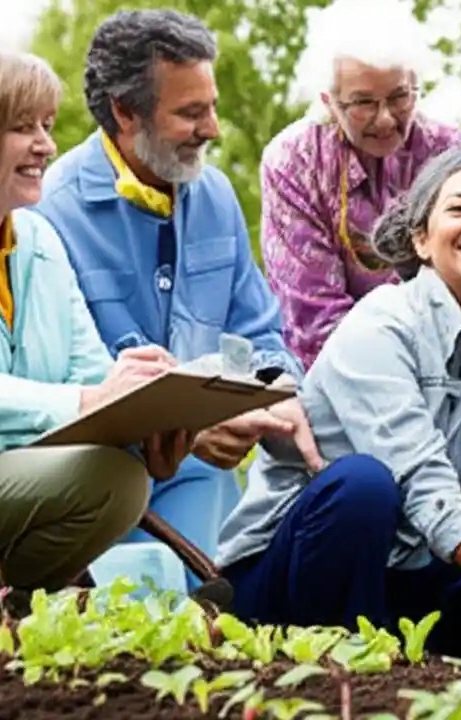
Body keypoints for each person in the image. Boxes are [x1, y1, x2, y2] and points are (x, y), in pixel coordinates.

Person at [216, 151, 461, 661]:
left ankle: (454, 677)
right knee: (364, 486)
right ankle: (336, 671)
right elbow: (425, 489)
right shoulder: (381, 325)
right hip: (296, 568)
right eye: (460, 208)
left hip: (404, 565)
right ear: (422, 239)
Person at [36, 10, 318, 595]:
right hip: (97, 486)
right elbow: (60, 389)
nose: (213, 128)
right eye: (191, 113)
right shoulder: (48, 216)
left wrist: (269, 400)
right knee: (135, 623)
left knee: (204, 627)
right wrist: (188, 425)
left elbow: (265, 341)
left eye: (211, 107)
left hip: (202, 481)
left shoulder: (214, 194)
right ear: (124, 111)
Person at [0, 51, 187, 602]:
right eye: (21, 127)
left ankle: (14, 613)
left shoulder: (40, 240)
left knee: (124, 476)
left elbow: (86, 368)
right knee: (111, 483)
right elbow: (77, 396)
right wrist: (83, 401)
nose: (45, 146)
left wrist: (141, 405)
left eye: (47, 127)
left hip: (14, 471)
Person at [261, 0, 461, 370]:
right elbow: (311, 314)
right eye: (363, 103)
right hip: (339, 369)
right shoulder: (294, 161)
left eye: (399, 96)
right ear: (329, 101)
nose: (387, 119)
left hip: (447, 362)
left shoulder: (446, 149)